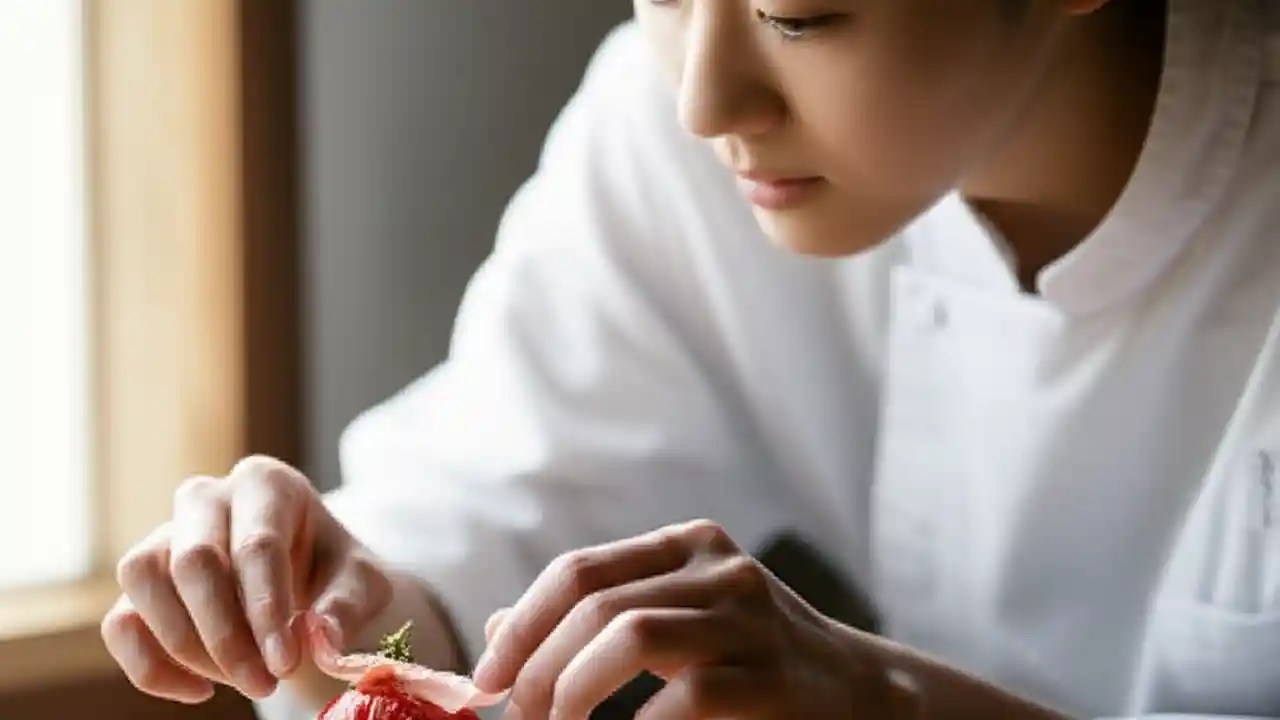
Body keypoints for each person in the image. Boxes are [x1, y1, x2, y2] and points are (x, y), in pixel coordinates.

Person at [102, 0, 1280, 718]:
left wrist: (896, 706)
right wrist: (333, 604)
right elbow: (482, 512)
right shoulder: (674, 133)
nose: (705, 98)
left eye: (800, 16)